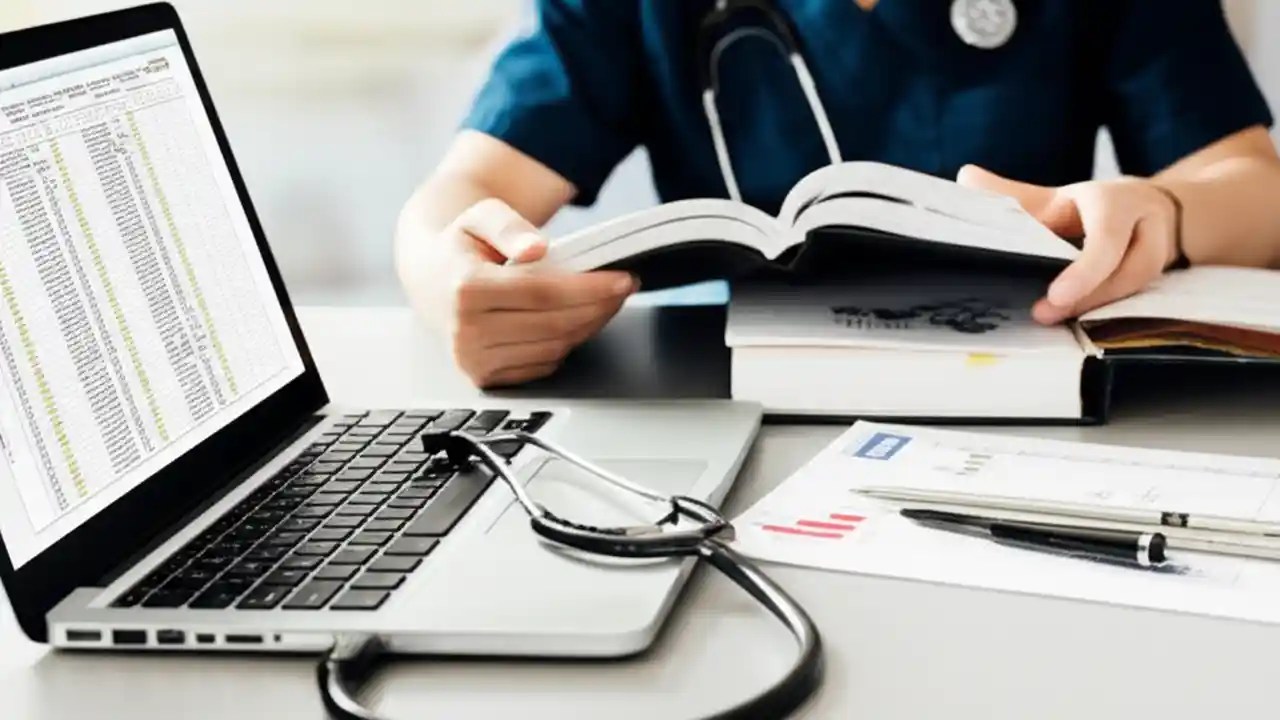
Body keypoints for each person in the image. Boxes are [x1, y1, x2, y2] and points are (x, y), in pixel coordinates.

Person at [396, 0, 1280, 388]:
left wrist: (1161, 212)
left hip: (1035, 390)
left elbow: (1252, 184)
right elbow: (465, 190)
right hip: (733, 405)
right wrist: (451, 286)